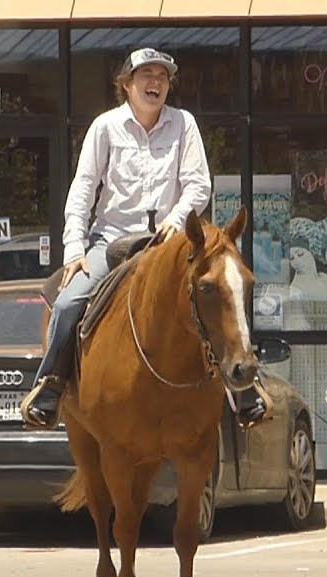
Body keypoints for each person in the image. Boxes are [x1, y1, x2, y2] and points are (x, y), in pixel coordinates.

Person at [22, 48, 267, 429]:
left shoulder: (184, 124)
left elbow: (198, 185)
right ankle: (50, 386)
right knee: (69, 302)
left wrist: (175, 219)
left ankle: (245, 385)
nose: (156, 82)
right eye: (146, 75)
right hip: (113, 242)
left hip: (170, 244)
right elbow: (83, 189)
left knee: (221, 291)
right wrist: (74, 249)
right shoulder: (105, 127)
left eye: (163, 77)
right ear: (126, 84)